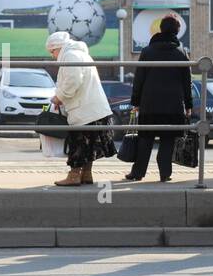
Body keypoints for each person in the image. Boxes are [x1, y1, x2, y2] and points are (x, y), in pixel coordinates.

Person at [125, 14, 193, 182]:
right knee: (168, 140)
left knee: (145, 140)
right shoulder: (181, 53)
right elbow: (187, 82)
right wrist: (189, 104)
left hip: (149, 104)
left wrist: (135, 102)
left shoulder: (147, 51)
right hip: (173, 105)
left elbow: (139, 79)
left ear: (160, 29)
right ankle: (165, 173)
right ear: (177, 31)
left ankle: (138, 173)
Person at [46, 30, 115, 186]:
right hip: (95, 109)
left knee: (78, 143)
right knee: (90, 145)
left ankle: (74, 176)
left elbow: (73, 81)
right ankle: (86, 174)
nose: (52, 56)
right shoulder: (81, 54)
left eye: (52, 52)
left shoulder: (70, 56)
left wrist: (59, 97)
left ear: (58, 48)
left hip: (84, 111)